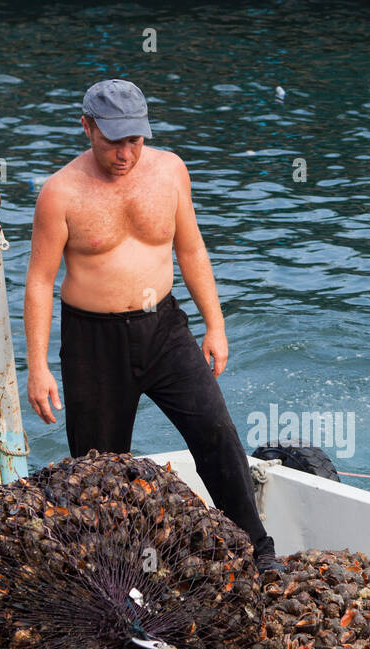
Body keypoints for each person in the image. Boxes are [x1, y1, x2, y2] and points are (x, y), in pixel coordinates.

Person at [22, 78, 283, 574]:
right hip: (93, 343)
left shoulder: (169, 171)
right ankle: (110, 575)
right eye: (113, 140)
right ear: (87, 127)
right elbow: (39, 282)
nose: (125, 153)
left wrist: (215, 324)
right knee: (99, 468)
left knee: (216, 431)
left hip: (164, 328)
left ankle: (257, 550)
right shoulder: (60, 193)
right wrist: (37, 368)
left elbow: (190, 249)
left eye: (134, 140)